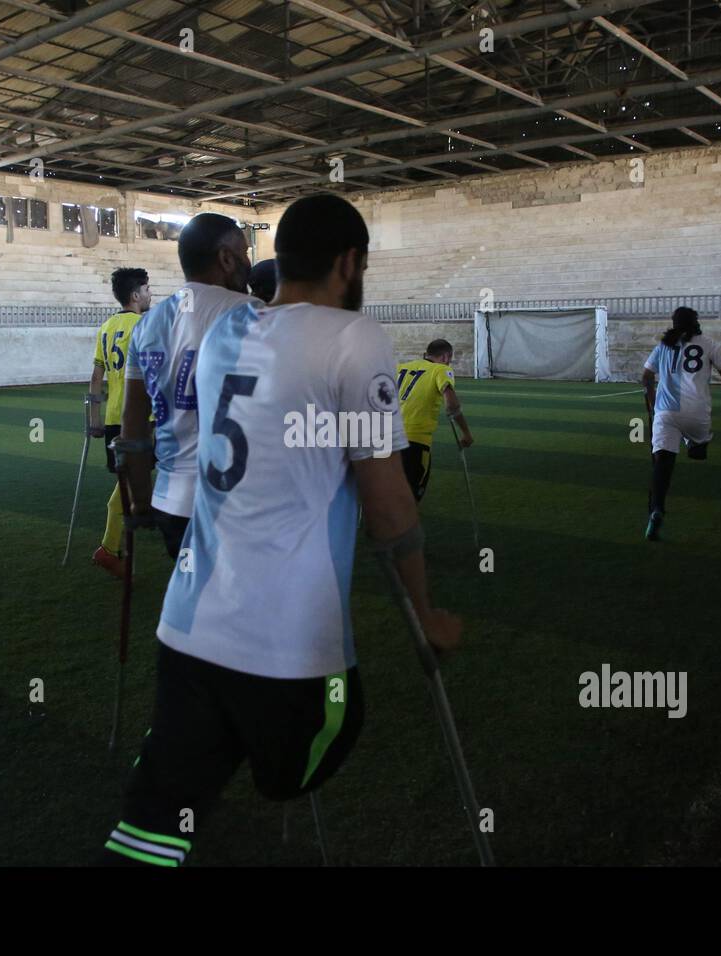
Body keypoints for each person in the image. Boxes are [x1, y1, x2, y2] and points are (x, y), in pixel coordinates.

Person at [100, 194, 462, 866]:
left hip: (187, 632)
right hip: (290, 655)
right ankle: (258, 747)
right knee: (315, 744)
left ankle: (188, 760)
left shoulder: (224, 337)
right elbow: (389, 507)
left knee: (149, 836)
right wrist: (426, 614)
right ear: (349, 263)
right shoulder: (354, 338)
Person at [118, 214, 259, 560]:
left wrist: (140, 499)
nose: (248, 261)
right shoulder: (253, 313)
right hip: (238, 501)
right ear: (226, 259)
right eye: (244, 252)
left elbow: (132, 425)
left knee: (193, 590)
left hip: (172, 502)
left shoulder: (147, 324)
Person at [641, 307, 721, 541]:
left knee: (662, 462)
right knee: (697, 452)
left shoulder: (663, 345)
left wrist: (653, 404)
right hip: (697, 413)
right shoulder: (708, 343)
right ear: (696, 323)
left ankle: (656, 509)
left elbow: (646, 376)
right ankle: (693, 444)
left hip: (666, 412)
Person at [90, 267, 151, 578]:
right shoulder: (144, 326)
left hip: (115, 417)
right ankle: (109, 547)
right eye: (148, 290)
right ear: (136, 295)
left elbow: (96, 377)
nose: (150, 295)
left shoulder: (106, 327)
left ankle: (114, 543)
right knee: (131, 482)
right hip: (142, 418)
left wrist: (94, 420)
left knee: (128, 480)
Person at [396, 339, 473, 502]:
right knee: (409, 497)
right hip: (414, 440)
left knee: (384, 491)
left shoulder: (400, 367)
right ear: (445, 357)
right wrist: (466, 433)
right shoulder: (441, 369)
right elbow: (452, 406)